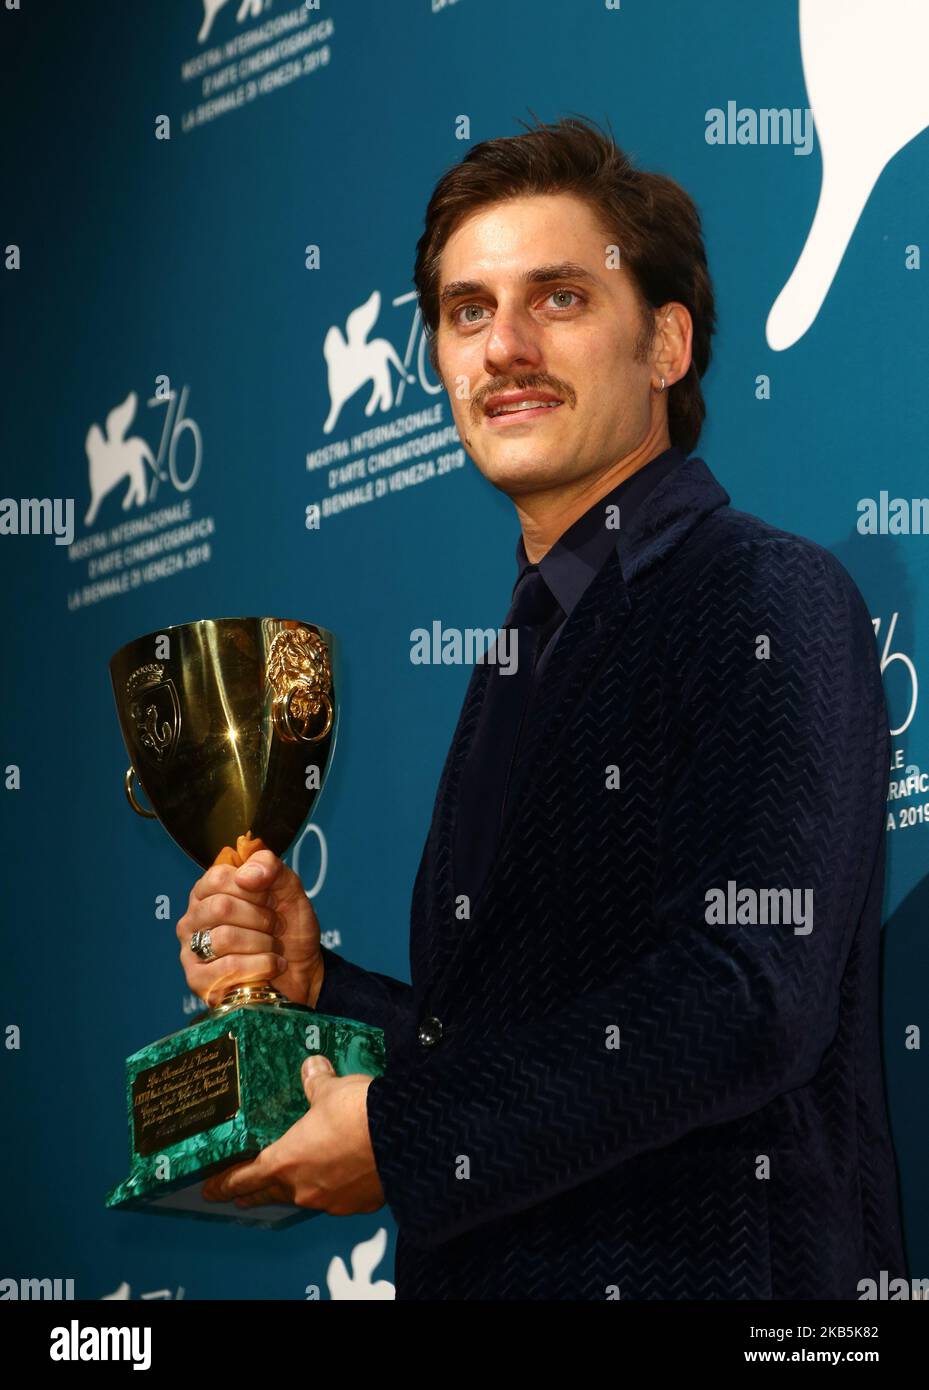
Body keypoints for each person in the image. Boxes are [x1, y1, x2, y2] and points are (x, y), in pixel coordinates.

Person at [177, 116, 907, 1299]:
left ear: (665, 344)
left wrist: (404, 1135)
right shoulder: (529, 641)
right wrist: (324, 992)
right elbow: (525, 1037)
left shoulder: (760, 591)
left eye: (557, 298)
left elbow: (745, 996)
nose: (502, 346)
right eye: (467, 311)